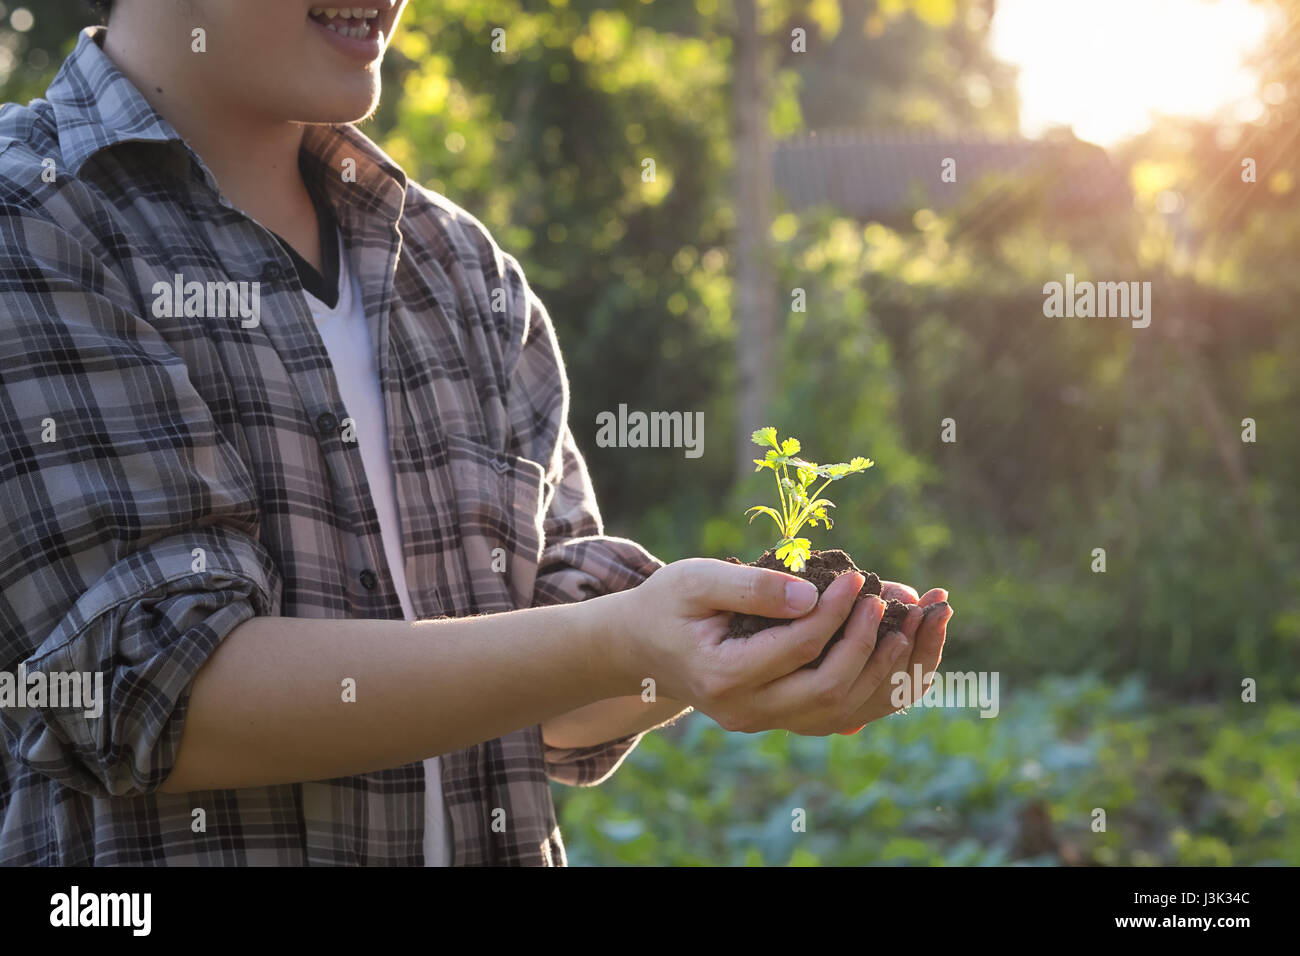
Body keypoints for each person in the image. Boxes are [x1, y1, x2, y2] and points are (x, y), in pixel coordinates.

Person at [0, 0, 951, 866]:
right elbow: (153, 694)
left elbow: (549, 690)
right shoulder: (33, 223)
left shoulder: (459, 270)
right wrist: (622, 642)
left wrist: (708, 658)